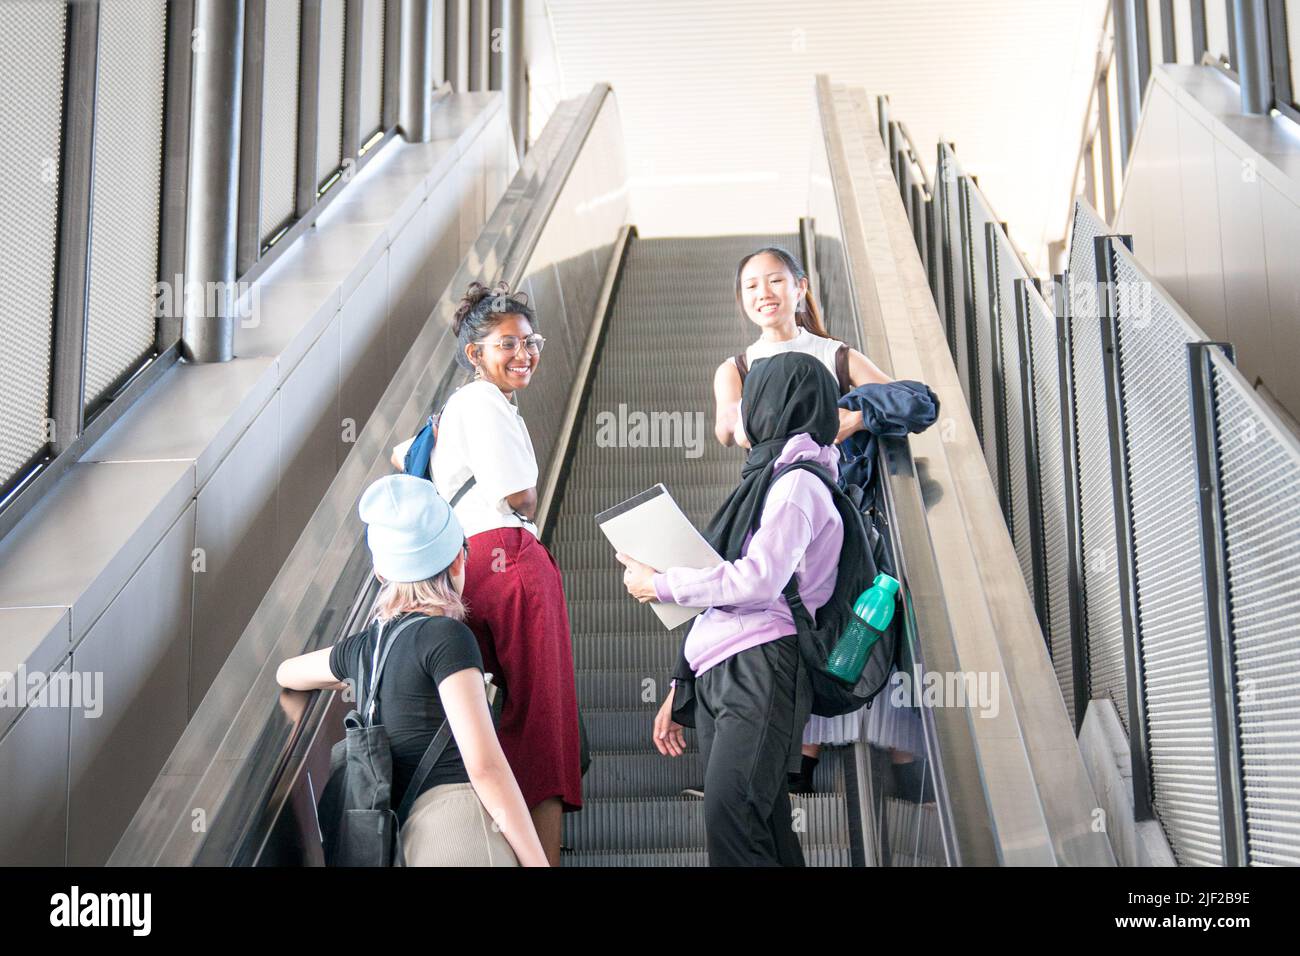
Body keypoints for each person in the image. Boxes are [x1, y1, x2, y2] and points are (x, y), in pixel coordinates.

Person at [616, 352, 850, 867]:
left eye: (753, 396)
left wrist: (663, 585)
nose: (742, 410)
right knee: (761, 825)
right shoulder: (770, 479)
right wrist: (683, 684)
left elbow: (758, 581)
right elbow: (733, 589)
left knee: (733, 819)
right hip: (727, 666)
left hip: (762, 665)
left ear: (777, 403)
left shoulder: (797, 485)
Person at [394, 280, 583, 867]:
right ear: (475, 354)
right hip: (512, 561)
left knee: (478, 717)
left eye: (531, 342)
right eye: (508, 344)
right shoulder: (485, 403)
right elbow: (520, 496)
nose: (525, 354)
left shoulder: (454, 410)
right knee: (543, 718)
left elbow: (403, 454)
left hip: (464, 571)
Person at [276, 474, 548, 867]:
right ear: (458, 558)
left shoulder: (365, 647)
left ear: (383, 575)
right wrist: (537, 861)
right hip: (459, 835)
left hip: (402, 844)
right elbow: (485, 766)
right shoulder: (448, 638)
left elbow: (288, 673)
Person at [713, 246, 892, 791]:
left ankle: (807, 755)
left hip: (833, 504)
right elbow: (729, 428)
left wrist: (851, 418)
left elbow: (897, 394)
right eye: (750, 286)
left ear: (801, 286)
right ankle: (789, 758)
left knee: (823, 614)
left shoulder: (836, 354)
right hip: (771, 500)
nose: (763, 293)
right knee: (779, 615)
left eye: (774, 281)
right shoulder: (737, 366)